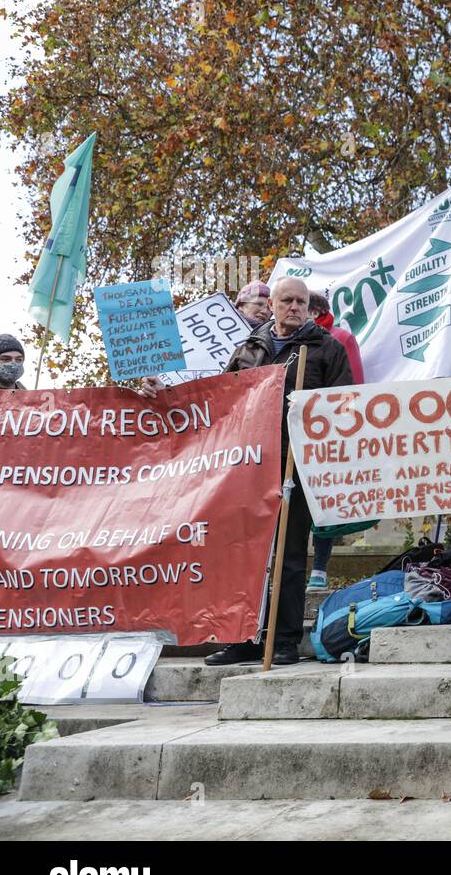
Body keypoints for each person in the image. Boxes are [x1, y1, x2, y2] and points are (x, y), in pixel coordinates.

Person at [142, 277, 353, 664]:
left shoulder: (326, 350)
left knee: (289, 555)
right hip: (248, 467)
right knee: (243, 554)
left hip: (296, 466)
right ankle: (242, 638)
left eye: (301, 302)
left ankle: (284, 640)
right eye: (286, 300)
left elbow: (345, 407)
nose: (294, 307)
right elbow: (215, 399)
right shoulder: (249, 347)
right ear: (271, 304)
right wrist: (161, 390)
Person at [305, 292, 365, 592]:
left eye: (301, 306)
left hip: (326, 432)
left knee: (323, 499)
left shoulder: (340, 338)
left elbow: (354, 384)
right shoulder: (288, 339)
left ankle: (319, 567)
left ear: (314, 312)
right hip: (294, 432)